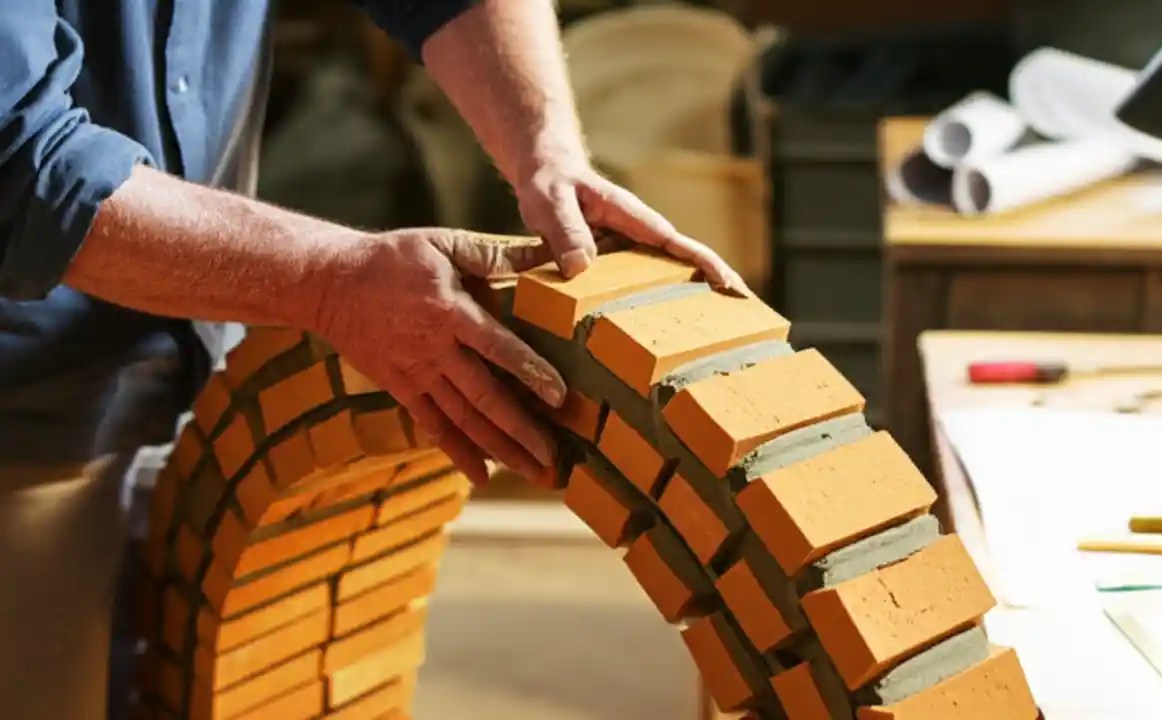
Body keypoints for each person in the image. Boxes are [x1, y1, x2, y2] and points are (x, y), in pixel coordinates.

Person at [0, 1, 745, 717]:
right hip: (22, 412)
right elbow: (21, 163)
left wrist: (548, 149)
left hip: (188, 354)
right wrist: (330, 283)